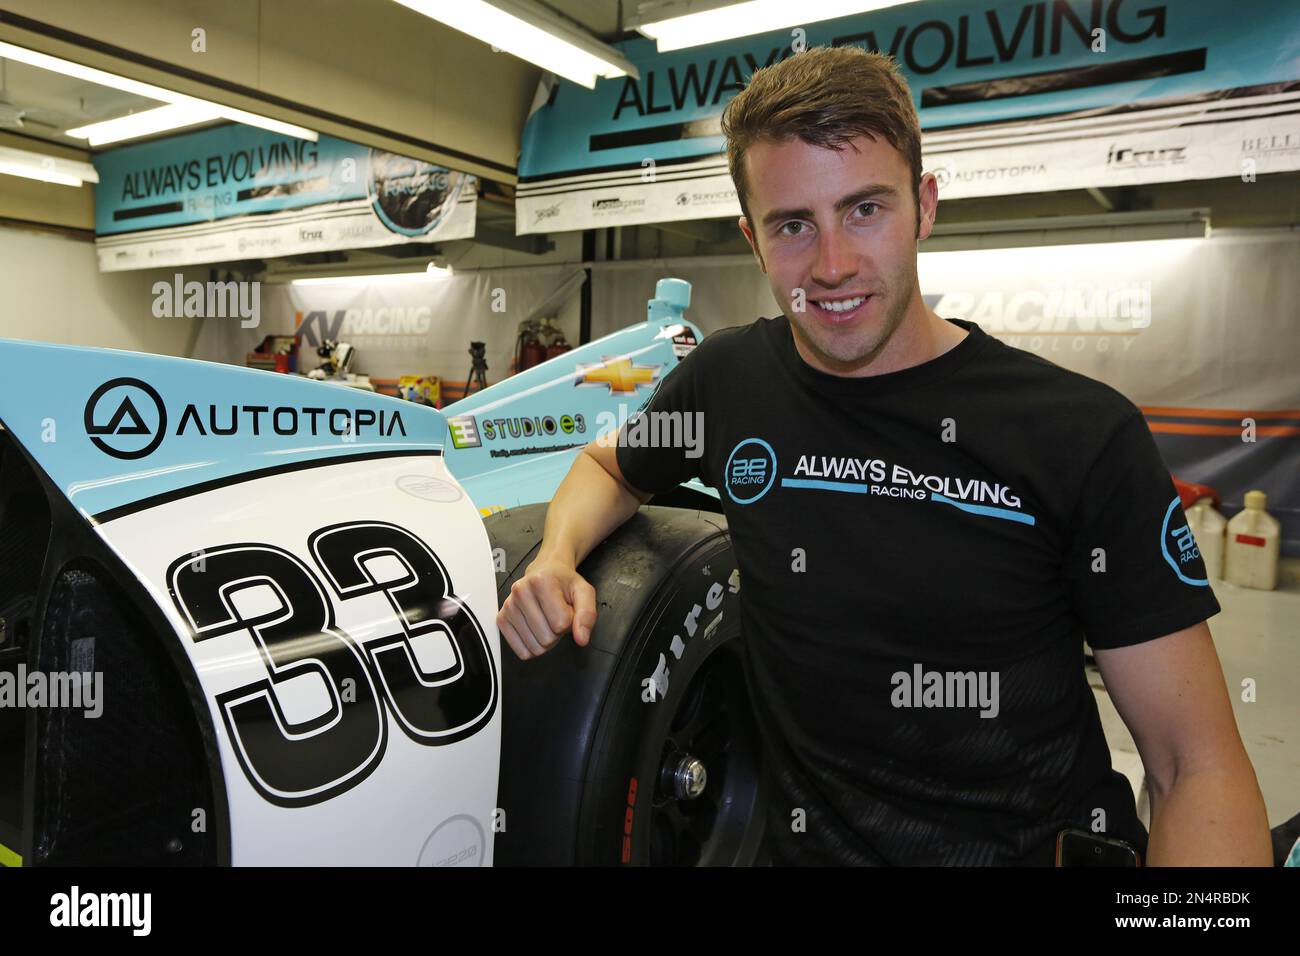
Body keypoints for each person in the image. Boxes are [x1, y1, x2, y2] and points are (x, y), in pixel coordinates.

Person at [497, 45, 1272, 866]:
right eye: (794, 225)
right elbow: (610, 467)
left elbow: (1195, 767)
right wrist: (556, 554)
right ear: (753, 239)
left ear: (924, 206)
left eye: (865, 209)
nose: (832, 266)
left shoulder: (1079, 434)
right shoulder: (730, 381)